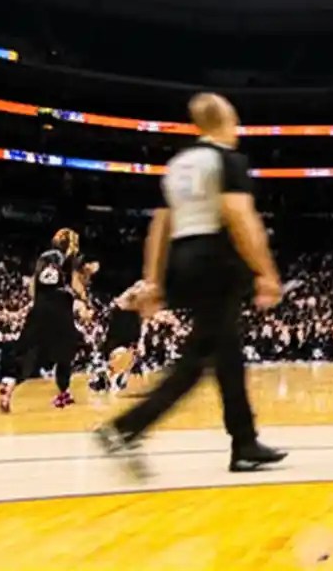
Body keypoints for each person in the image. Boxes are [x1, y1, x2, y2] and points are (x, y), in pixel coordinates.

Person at [94, 93, 287, 476]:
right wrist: (265, 271)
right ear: (225, 121)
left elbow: (160, 226)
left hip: (184, 259)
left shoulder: (179, 164)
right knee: (197, 361)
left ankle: (244, 443)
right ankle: (126, 427)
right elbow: (239, 216)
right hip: (217, 260)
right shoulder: (227, 160)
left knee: (227, 354)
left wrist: (154, 280)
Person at [0, 228, 91, 412]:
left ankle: (9, 383)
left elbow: (32, 287)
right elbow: (75, 284)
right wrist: (83, 298)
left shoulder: (43, 258)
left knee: (27, 351)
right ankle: (63, 392)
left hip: (39, 307)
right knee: (66, 350)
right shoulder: (70, 258)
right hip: (60, 308)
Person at [91, 280, 148, 394]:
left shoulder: (135, 302)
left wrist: (141, 340)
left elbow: (144, 318)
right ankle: (108, 376)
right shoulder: (125, 300)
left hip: (126, 327)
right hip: (119, 327)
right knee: (123, 355)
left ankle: (112, 378)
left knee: (130, 355)